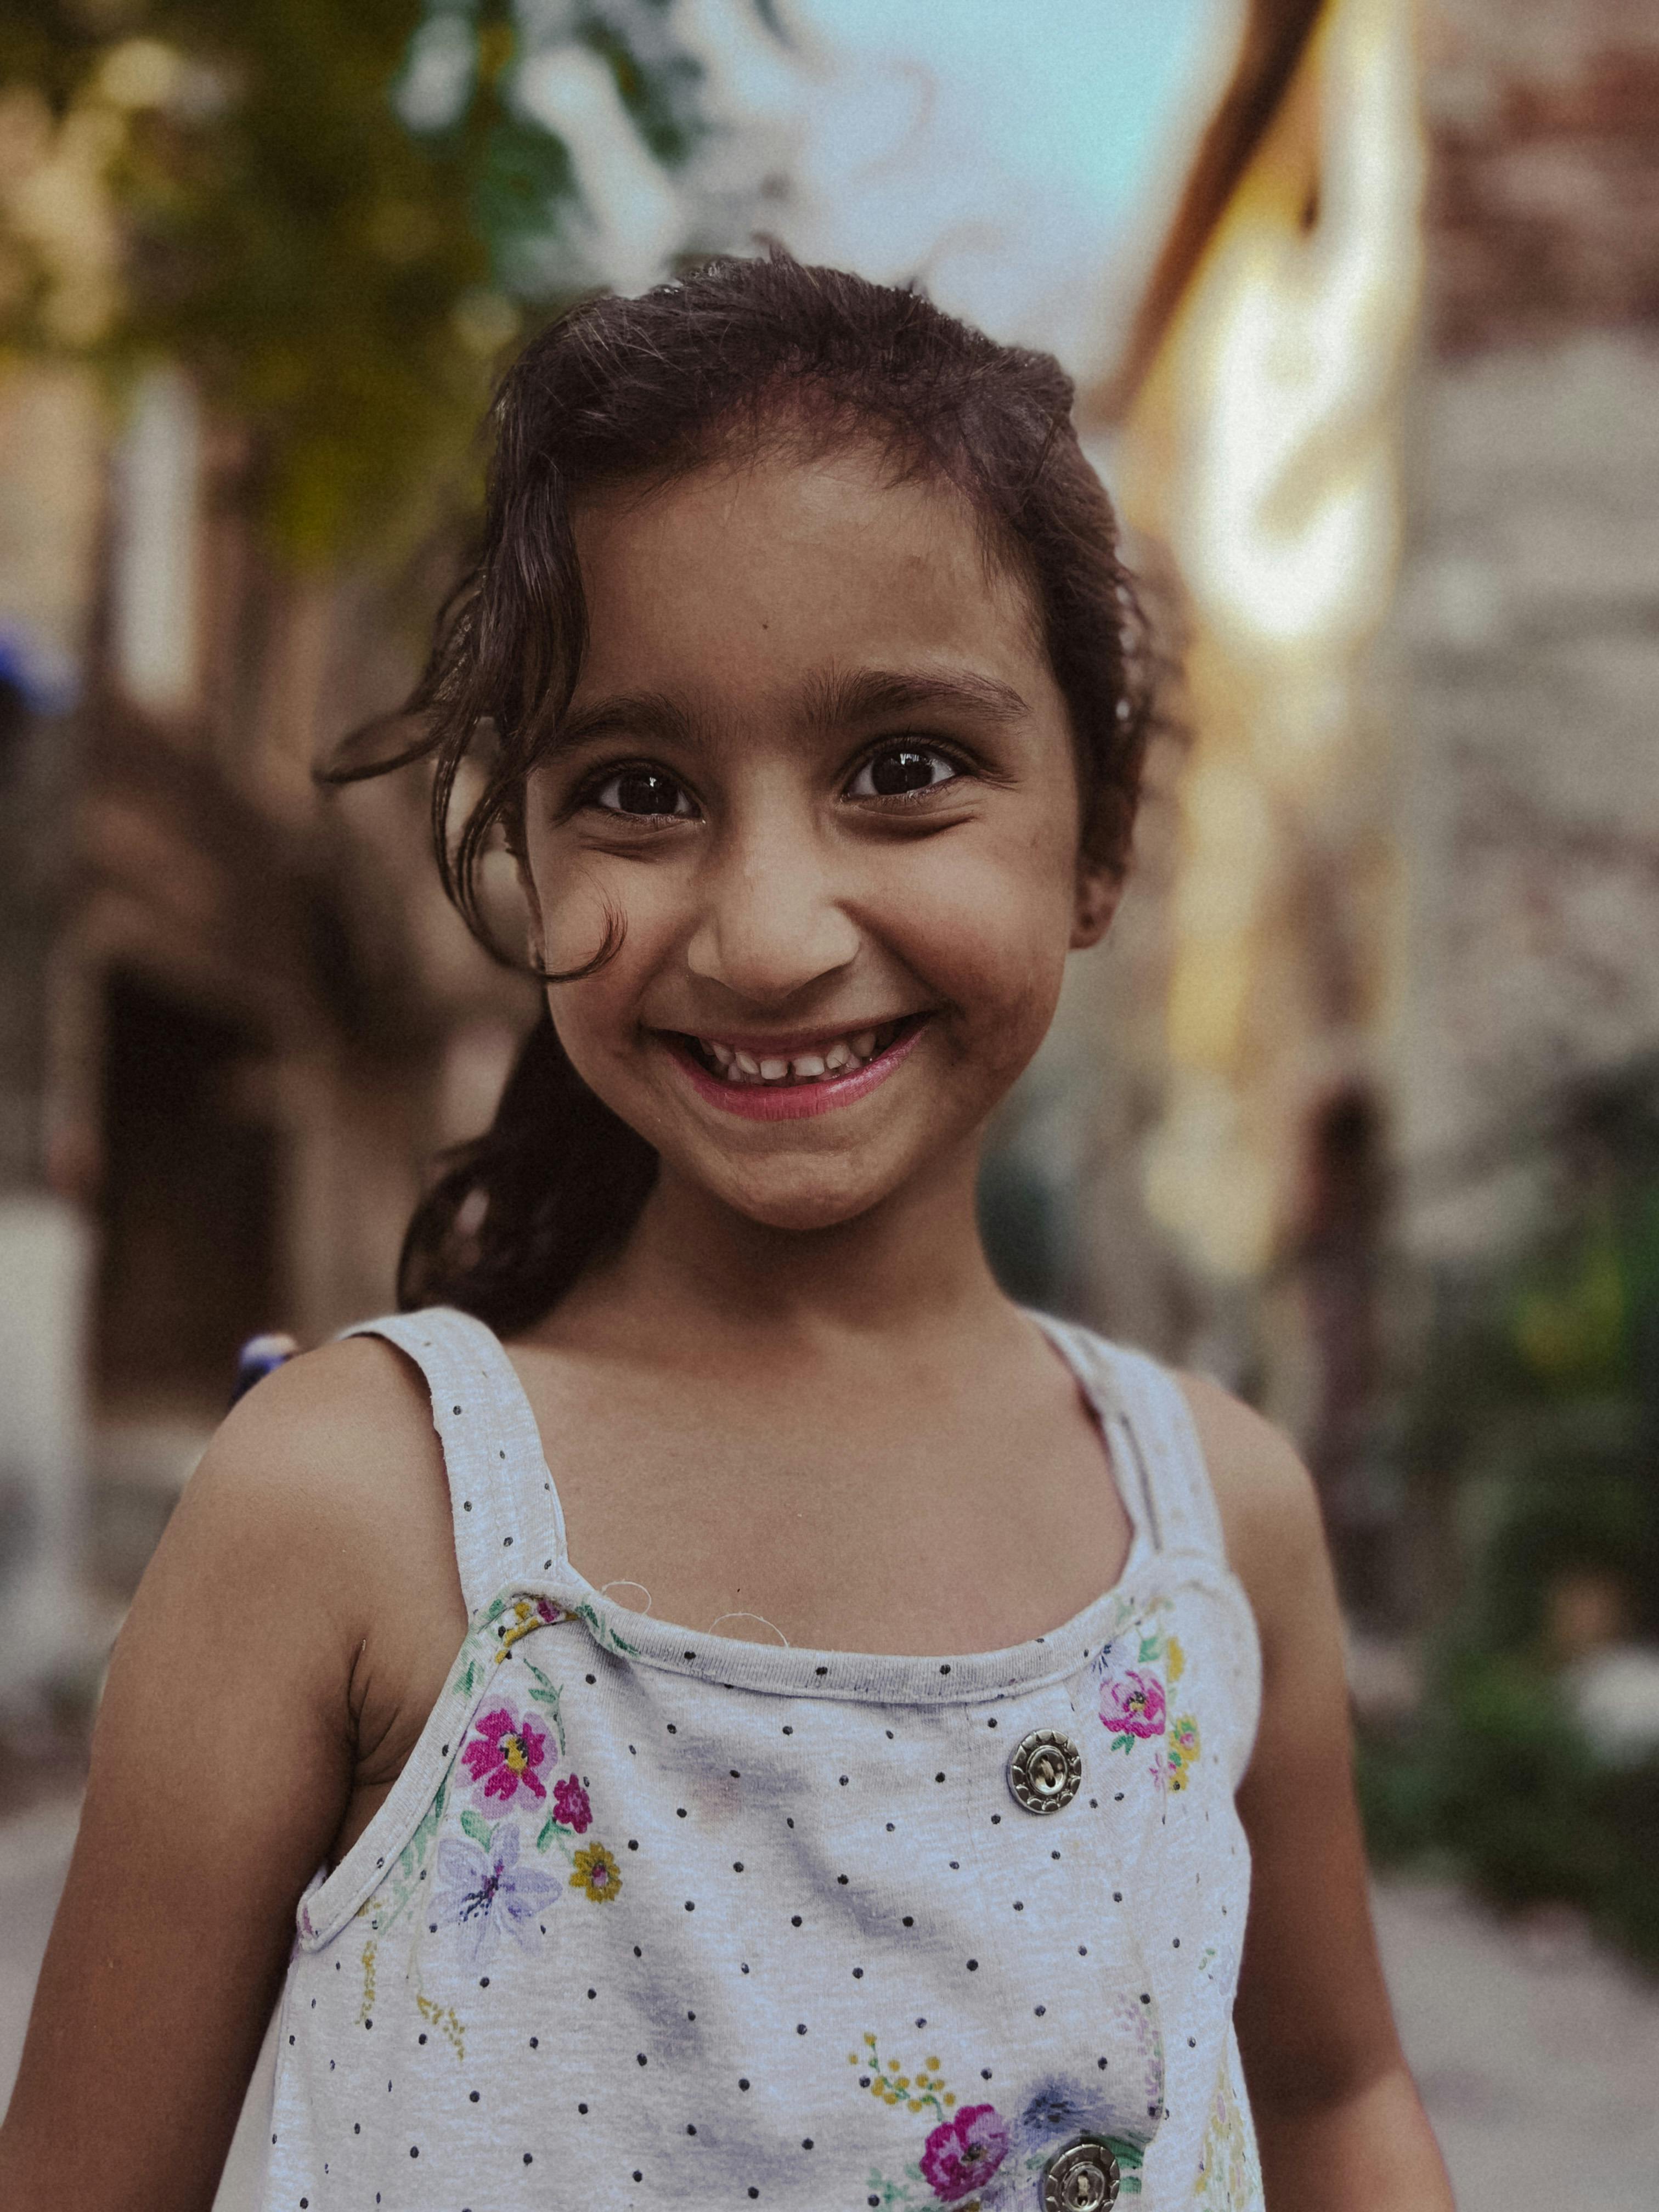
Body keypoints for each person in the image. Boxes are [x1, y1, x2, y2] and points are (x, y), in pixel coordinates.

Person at [0, 252, 1452, 2211]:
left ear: (1097, 835)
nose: (768, 935)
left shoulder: (1216, 1525)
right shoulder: (353, 1513)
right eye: (642, 790)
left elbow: (1340, 2089)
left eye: (905, 770)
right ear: (523, 852)